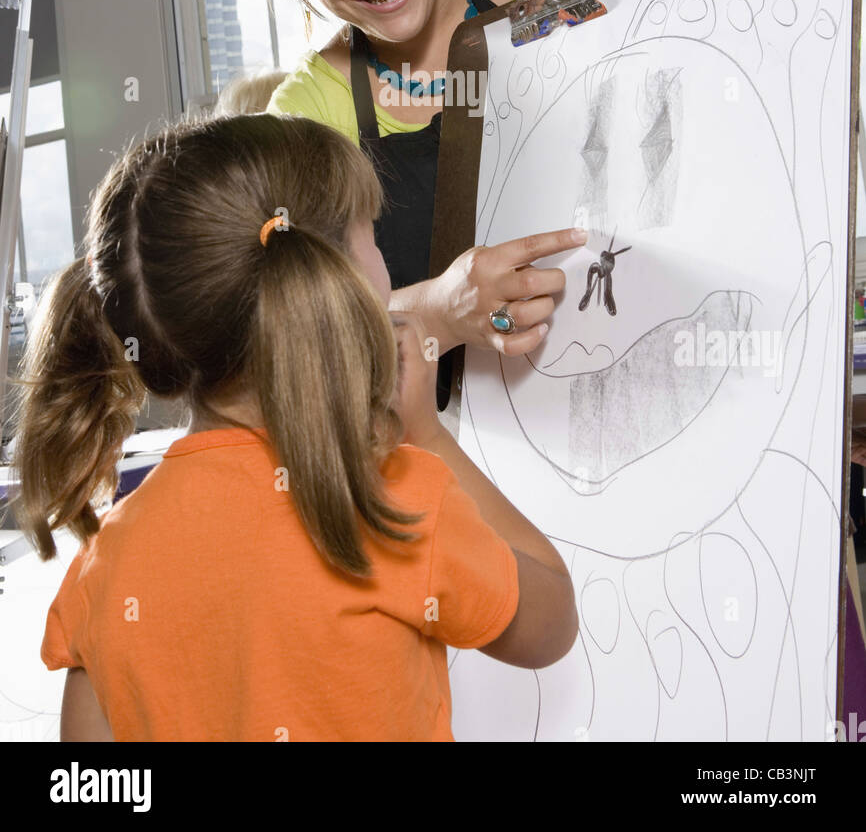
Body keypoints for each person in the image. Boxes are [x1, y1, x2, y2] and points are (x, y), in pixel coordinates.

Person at [13, 113, 579, 742]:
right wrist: (425, 434)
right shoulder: (390, 504)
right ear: (332, 284)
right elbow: (551, 619)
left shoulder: (102, 572)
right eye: (373, 239)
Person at [252, 0, 641, 371]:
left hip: (612, 366)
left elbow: (647, 78)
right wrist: (438, 311)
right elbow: (294, 335)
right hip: (433, 443)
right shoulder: (305, 114)